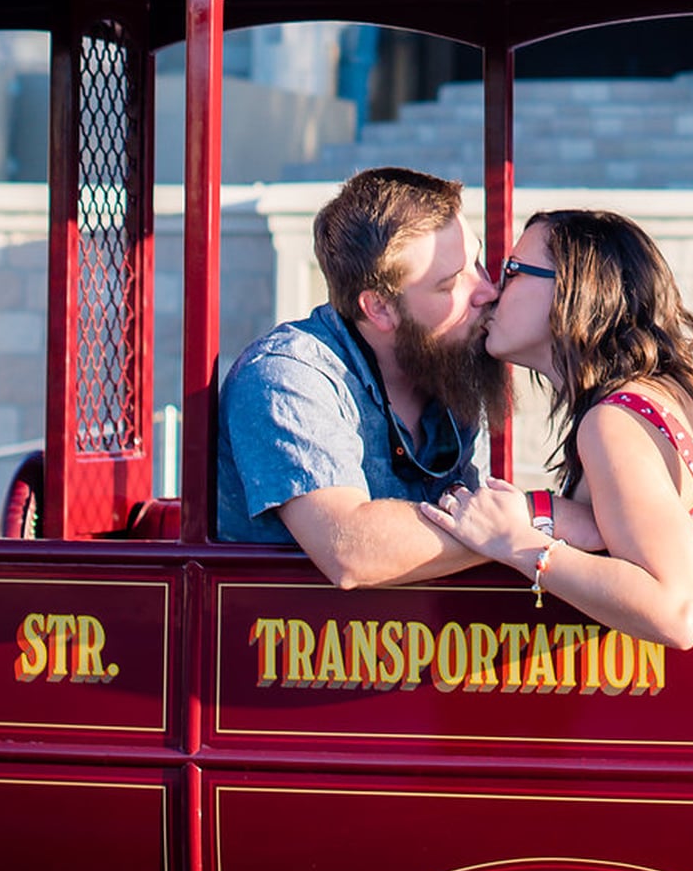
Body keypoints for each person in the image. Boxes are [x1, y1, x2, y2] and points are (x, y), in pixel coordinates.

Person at [218, 165, 604, 584]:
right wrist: (535, 519)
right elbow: (349, 551)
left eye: (477, 260)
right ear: (379, 308)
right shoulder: (289, 376)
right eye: (451, 282)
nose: (487, 291)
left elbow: (452, 527)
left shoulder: (444, 363)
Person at [421, 207, 693, 650]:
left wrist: (515, 542)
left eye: (513, 272)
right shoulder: (666, 390)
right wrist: (552, 514)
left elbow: (673, 612)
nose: (490, 293)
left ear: (574, 290)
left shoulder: (612, 423)